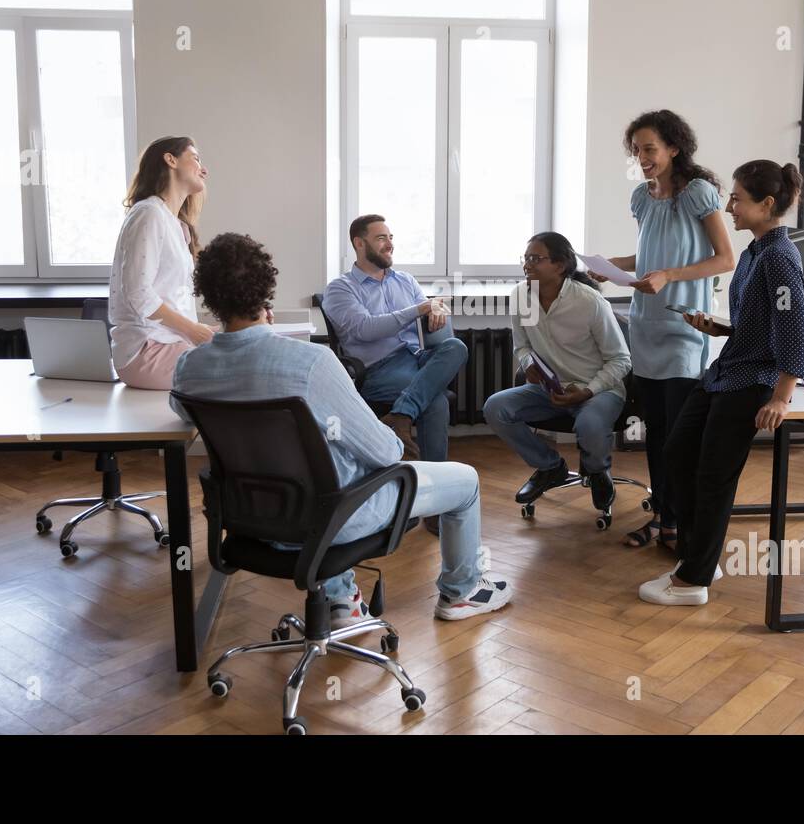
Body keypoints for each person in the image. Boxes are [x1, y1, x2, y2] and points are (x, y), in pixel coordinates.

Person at [170, 232, 512, 627]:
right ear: (266, 290)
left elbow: (180, 407)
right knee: (465, 481)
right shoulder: (311, 363)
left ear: (207, 297)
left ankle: (340, 600)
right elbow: (386, 453)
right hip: (335, 516)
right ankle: (461, 591)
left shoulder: (190, 368)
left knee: (318, 473)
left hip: (250, 515)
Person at [638, 161, 804, 605]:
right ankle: (701, 556)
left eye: (737, 198)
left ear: (766, 205)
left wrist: (782, 397)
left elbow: (796, 327)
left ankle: (693, 581)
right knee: (677, 453)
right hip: (727, 371)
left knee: (714, 476)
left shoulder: (779, 256)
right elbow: (762, 321)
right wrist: (721, 329)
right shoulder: (756, 251)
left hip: (752, 381)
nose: (729, 206)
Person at [591, 110, 735, 551]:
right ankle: (663, 519)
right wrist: (615, 265)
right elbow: (651, 252)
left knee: (676, 437)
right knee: (654, 434)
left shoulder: (698, 194)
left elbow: (725, 258)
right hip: (646, 327)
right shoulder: (642, 196)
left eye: (649, 148)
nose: (642, 157)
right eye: (636, 150)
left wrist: (670, 276)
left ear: (674, 148)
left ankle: (676, 522)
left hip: (684, 330)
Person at [323, 216, 468, 536]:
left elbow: (432, 314)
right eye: (380, 238)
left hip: (418, 360)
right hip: (379, 369)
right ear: (359, 244)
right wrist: (420, 309)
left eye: (391, 237)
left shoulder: (405, 280)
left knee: (456, 347)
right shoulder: (340, 289)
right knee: (436, 402)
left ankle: (401, 415)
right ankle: (435, 503)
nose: (389, 244)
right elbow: (364, 330)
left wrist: (438, 310)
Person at [484, 232, 632, 518]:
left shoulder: (589, 302)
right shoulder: (521, 296)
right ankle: (550, 467)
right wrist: (528, 364)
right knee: (496, 407)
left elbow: (621, 360)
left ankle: (599, 471)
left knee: (589, 423)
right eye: (525, 259)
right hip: (550, 390)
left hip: (598, 390)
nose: (527, 265)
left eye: (535, 259)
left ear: (560, 265)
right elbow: (522, 345)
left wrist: (588, 391)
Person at [108, 136, 217, 389]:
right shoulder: (149, 213)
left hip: (167, 342)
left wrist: (197, 329)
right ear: (170, 160)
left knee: (243, 353)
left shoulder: (176, 225)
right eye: (196, 158)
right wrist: (193, 330)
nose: (204, 169)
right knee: (242, 367)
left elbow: (166, 298)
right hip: (146, 350)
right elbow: (138, 293)